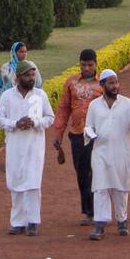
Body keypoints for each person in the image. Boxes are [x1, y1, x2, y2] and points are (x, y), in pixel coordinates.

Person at [84, 69, 130, 240]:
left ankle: (122, 220)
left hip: (122, 152)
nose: (115, 86)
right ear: (102, 85)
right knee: (100, 187)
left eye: (116, 82)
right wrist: (90, 133)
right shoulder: (94, 106)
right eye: (111, 83)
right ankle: (99, 224)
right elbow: (88, 126)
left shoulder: (127, 103)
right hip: (101, 153)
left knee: (121, 188)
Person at [0, 60, 54, 235]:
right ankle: (17, 222)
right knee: (16, 182)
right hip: (14, 146)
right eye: (27, 75)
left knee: (33, 183)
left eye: (33, 75)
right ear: (18, 77)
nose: (31, 78)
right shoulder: (7, 96)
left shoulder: (41, 95)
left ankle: (33, 221)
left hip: (35, 147)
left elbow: (50, 117)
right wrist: (15, 123)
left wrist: (35, 122)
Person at [52, 48, 104, 225]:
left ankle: (100, 210)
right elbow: (64, 108)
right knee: (82, 172)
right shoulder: (71, 82)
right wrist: (58, 133)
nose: (87, 68)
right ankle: (89, 212)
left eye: (90, 65)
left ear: (96, 64)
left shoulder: (103, 83)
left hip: (99, 135)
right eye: (83, 65)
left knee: (98, 171)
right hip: (77, 134)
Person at [0, 41, 41, 111]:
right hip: (8, 103)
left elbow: (38, 85)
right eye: (21, 52)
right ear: (14, 53)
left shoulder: (31, 67)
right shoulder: (5, 69)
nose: (24, 54)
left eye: (25, 52)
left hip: (26, 102)